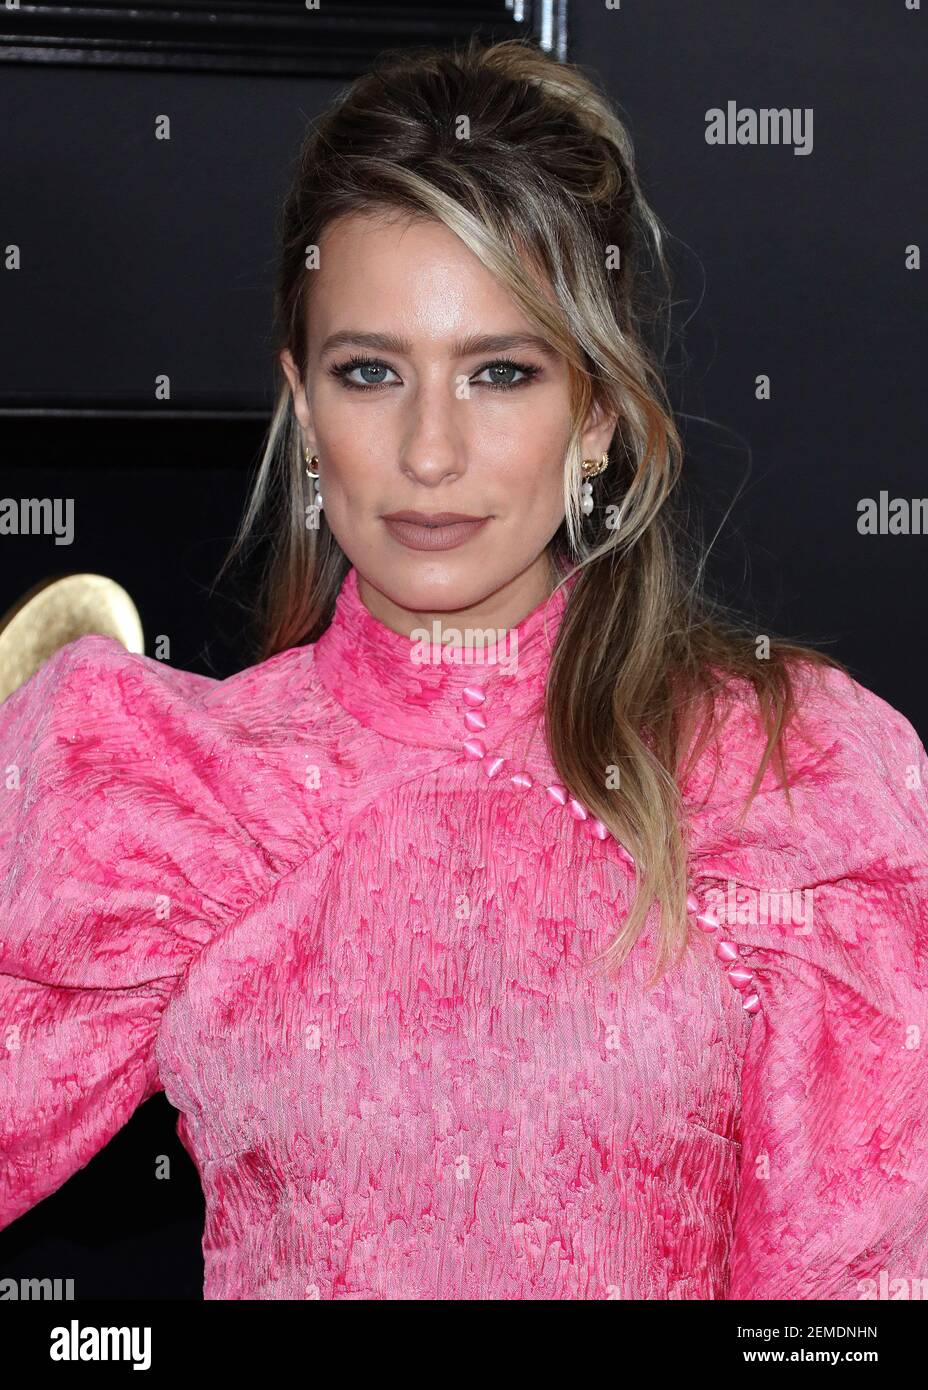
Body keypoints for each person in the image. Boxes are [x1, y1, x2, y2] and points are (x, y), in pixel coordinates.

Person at [1, 37, 926, 1301]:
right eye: (369, 372)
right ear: (302, 404)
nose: (429, 452)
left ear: (595, 413)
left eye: (500, 372)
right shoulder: (184, 797)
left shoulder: (784, 775)